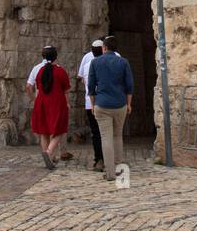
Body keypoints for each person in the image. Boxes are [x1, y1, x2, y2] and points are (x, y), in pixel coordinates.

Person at [87, 35, 133, 182]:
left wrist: (93, 104)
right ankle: (119, 169)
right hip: (120, 104)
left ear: (104, 48)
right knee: (118, 136)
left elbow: (91, 86)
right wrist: (129, 103)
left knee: (105, 138)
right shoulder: (123, 62)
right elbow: (129, 85)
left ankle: (110, 173)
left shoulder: (95, 62)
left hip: (102, 104)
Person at [28, 45, 70, 170]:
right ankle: (49, 151)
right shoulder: (60, 71)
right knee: (59, 130)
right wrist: (67, 104)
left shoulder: (40, 70)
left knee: (44, 131)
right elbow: (66, 90)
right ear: (56, 56)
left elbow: (36, 87)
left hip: (41, 102)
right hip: (57, 103)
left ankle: (49, 158)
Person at [76, 39, 105, 171]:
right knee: (110, 133)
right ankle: (113, 160)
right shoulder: (117, 59)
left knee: (96, 133)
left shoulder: (88, 63)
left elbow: (84, 80)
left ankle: (99, 159)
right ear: (104, 49)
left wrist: (92, 102)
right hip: (110, 102)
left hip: (92, 103)